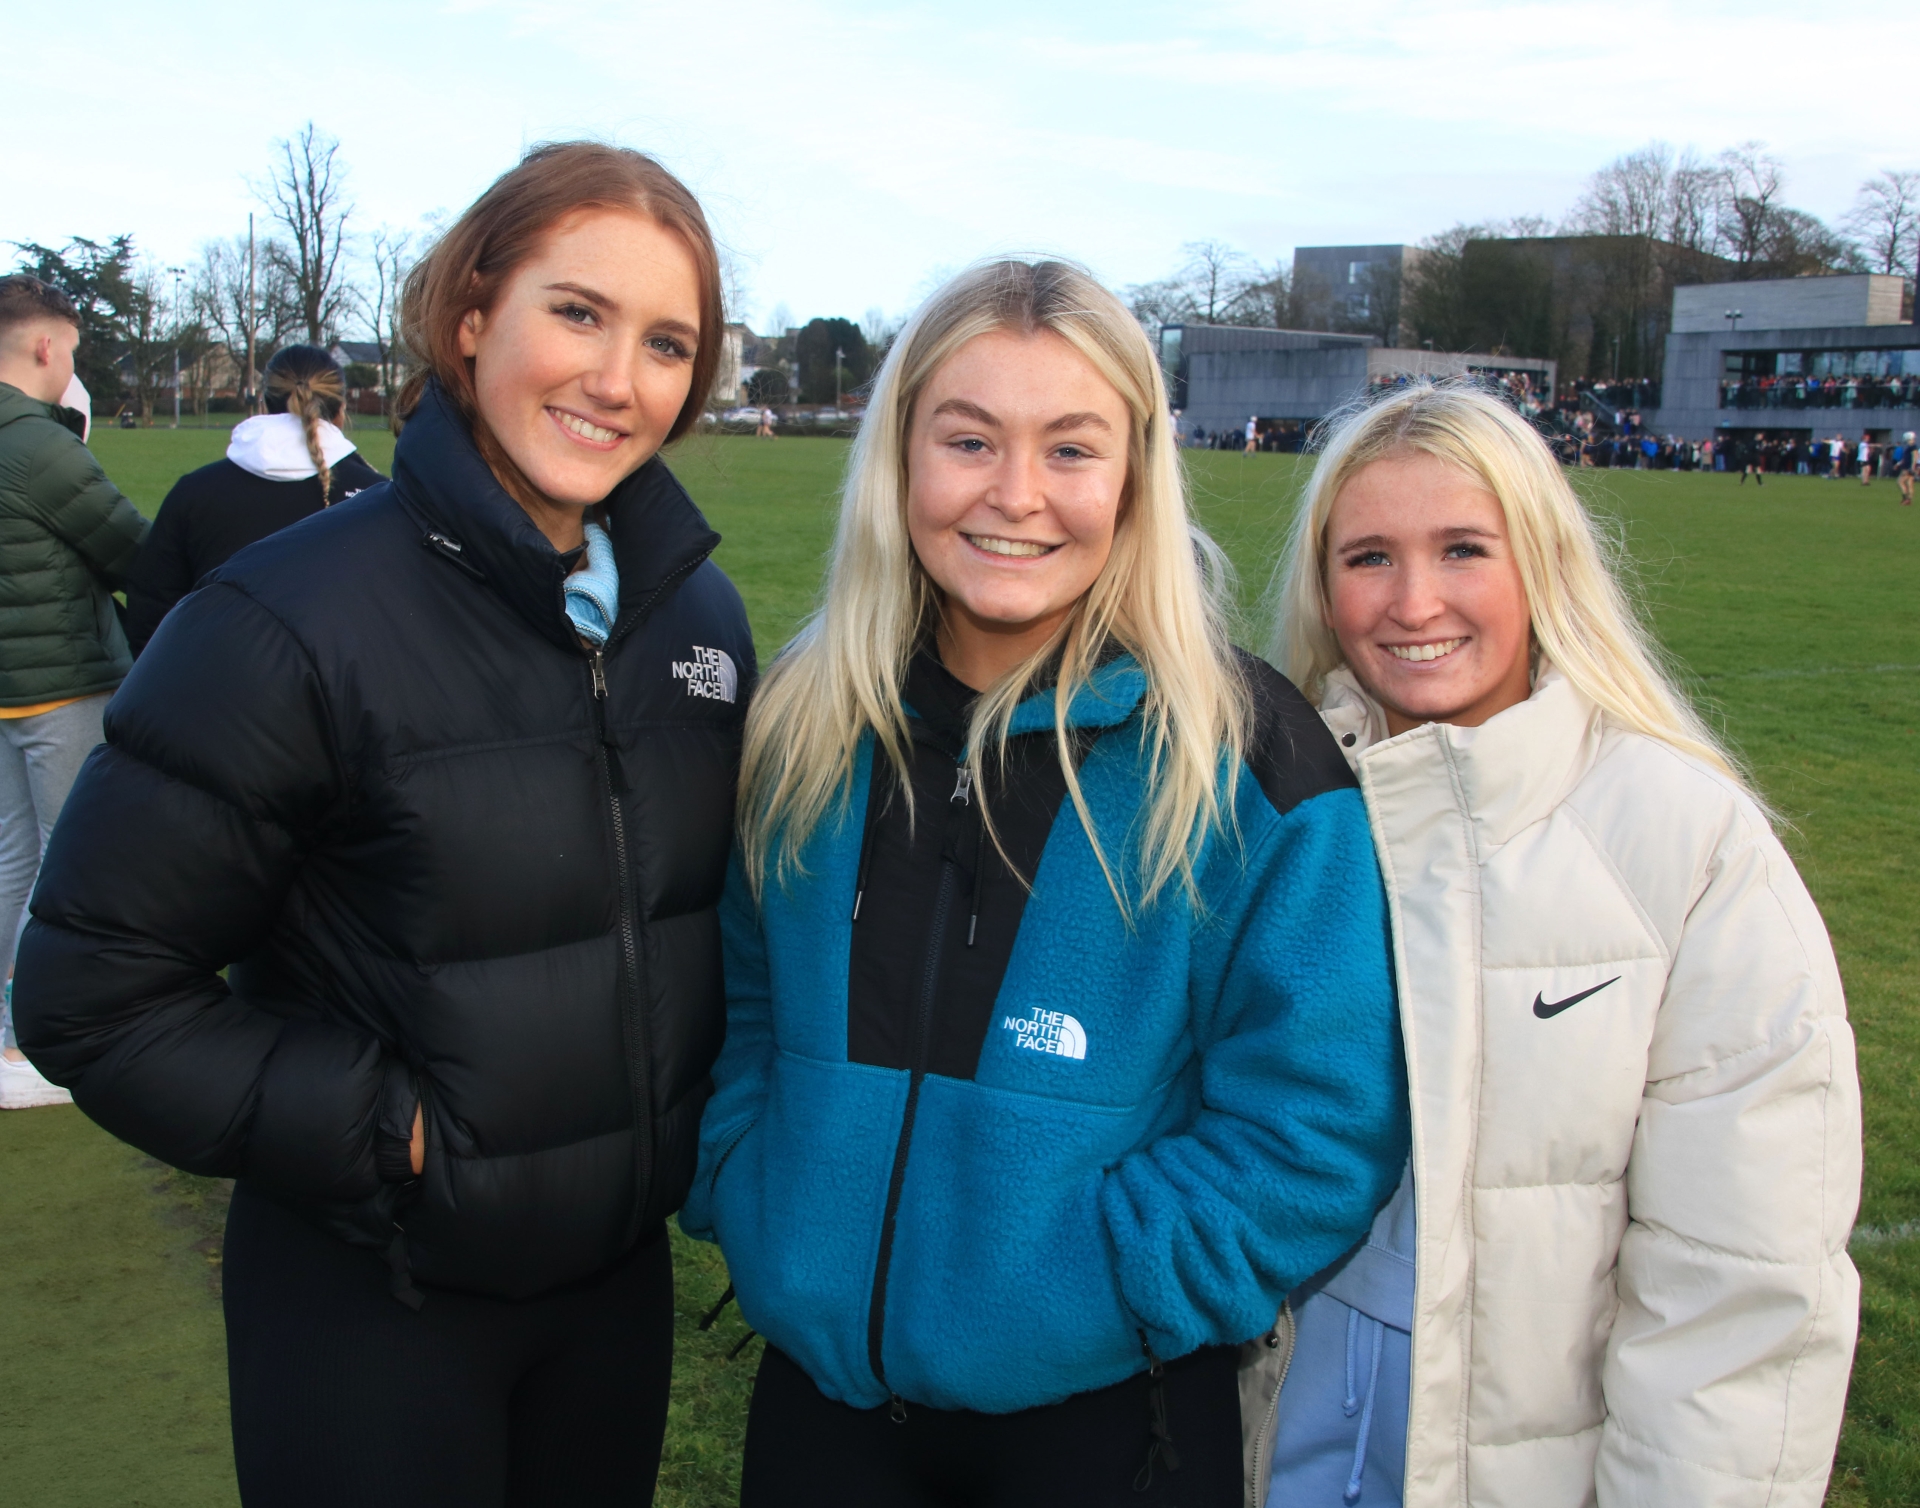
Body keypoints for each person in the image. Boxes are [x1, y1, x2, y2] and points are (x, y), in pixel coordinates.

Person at [15, 142, 754, 1507]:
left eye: (667, 342)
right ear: (473, 317)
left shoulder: (697, 619)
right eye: (577, 312)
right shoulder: (281, 619)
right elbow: (91, 994)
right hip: (375, 1296)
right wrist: (392, 1134)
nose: (617, 377)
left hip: (614, 1292)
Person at [681, 258, 1408, 1508]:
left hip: (1115, 1425)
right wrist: (757, 1191)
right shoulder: (806, 722)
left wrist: (1109, 1281)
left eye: (1071, 448)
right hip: (822, 1416)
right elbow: (740, 1009)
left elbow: (1322, 1121)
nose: (1015, 494)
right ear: (900, 456)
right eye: (969, 439)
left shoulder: (1246, 757)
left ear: (1134, 476)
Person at [1263, 381, 1860, 1506]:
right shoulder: (1264, 808)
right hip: (1271, 1433)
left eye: (1463, 549)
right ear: (1324, 587)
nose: (1415, 601)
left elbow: (1738, 1289)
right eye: (1370, 557)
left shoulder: (1686, 843)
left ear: (1540, 562)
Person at [0, 274, 148, 1110]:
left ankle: (9, 1031)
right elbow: (132, 549)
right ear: (45, 345)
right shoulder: (37, 444)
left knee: (14, 857)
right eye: (73, 354)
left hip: (9, 684)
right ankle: (26, 1042)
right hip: (57, 681)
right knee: (65, 859)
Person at [123, 344, 385, 654]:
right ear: (341, 409)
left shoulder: (195, 492)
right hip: (343, 681)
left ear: (263, 402)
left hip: (215, 677)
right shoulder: (379, 498)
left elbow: (152, 610)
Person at [1897, 431, 1914, 507]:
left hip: (1907, 468)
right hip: (1907, 467)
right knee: (1909, 484)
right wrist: (1898, 464)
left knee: (1900, 482)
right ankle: (1909, 500)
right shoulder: (1910, 447)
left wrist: (1912, 467)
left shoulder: (1912, 447)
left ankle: (1905, 499)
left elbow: (1915, 457)